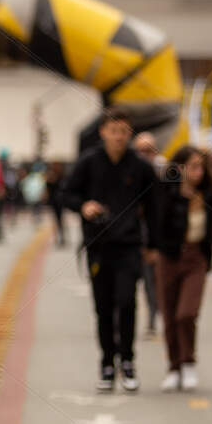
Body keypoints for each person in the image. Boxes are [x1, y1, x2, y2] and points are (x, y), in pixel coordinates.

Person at [60, 108, 159, 392]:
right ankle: (106, 363)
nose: (119, 137)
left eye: (124, 132)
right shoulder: (89, 162)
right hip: (98, 246)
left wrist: (153, 245)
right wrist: (83, 206)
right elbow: (65, 193)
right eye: (113, 131)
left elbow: (153, 208)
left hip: (129, 246)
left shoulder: (140, 167)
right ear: (103, 132)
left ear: (130, 134)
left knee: (127, 302)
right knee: (103, 308)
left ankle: (127, 361)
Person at [153, 145, 212, 392]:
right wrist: (181, 195)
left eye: (201, 167)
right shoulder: (167, 191)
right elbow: (158, 223)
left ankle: (188, 361)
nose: (198, 172)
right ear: (179, 168)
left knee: (187, 313)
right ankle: (174, 367)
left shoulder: (209, 193)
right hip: (169, 257)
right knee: (169, 315)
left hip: (196, 258)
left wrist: (208, 259)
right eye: (192, 166)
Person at [131, 132, 163, 337]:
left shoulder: (164, 171)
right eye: (141, 150)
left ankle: (153, 316)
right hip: (131, 234)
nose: (144, 154)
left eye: (148, 150)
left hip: (154, 235)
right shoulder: (129, 169)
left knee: (152, 281)